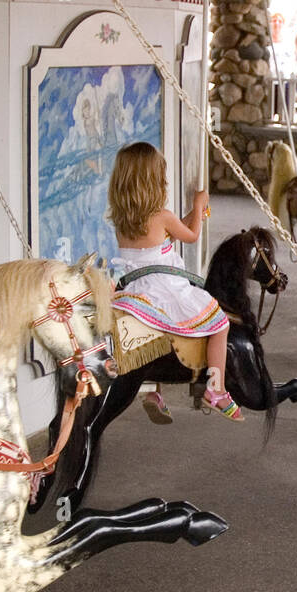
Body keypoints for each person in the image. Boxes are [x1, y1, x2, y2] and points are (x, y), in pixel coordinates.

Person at [108, 142, 241, 422]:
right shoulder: (161, 216)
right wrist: (198, 204)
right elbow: (190, 235)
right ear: (154, 180)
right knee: (219, 323)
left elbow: (172, 232)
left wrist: (194, 214)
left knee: (156, 335)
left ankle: (152, 390)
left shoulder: (122, 219)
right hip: (165, 288)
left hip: (135, 290)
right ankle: (216, 389)